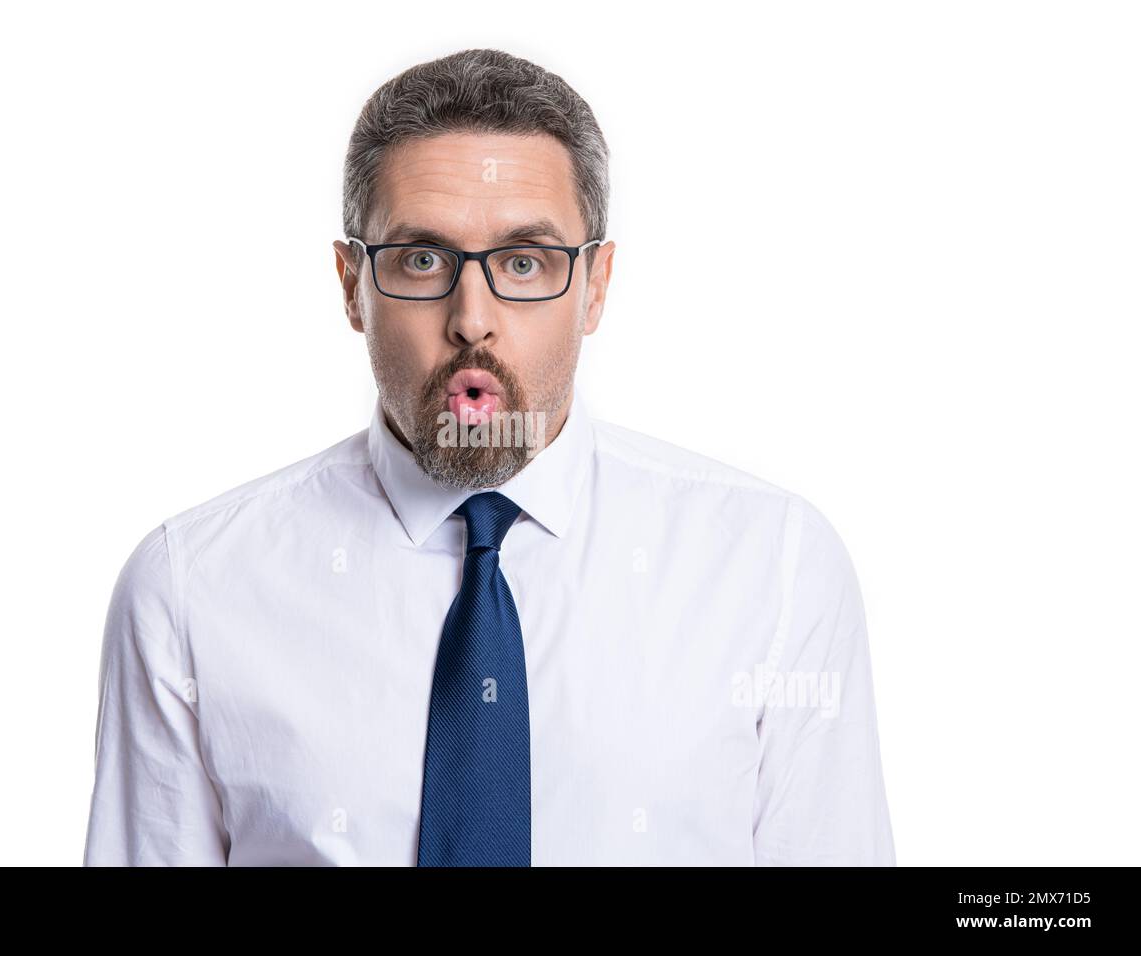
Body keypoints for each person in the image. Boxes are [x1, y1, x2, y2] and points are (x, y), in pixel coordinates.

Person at [82, 47, 895, 866]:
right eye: (423, 260)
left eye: (523, 263)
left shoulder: (774, 571)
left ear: (597, 285)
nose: (473, 318)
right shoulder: (190, 591)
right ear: (351, 286)